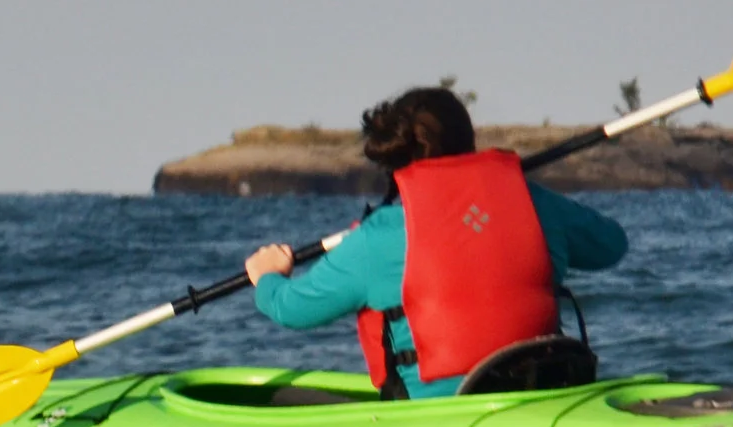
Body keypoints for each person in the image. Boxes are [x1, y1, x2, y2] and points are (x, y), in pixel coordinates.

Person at [244, 87, 628, 397]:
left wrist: (267, 276)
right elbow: (611, 245)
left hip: (441, 415)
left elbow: (291, 308)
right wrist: (518, 189)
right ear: (470, 143)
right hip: (544, 390)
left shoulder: (377, 238)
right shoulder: (534, 202)